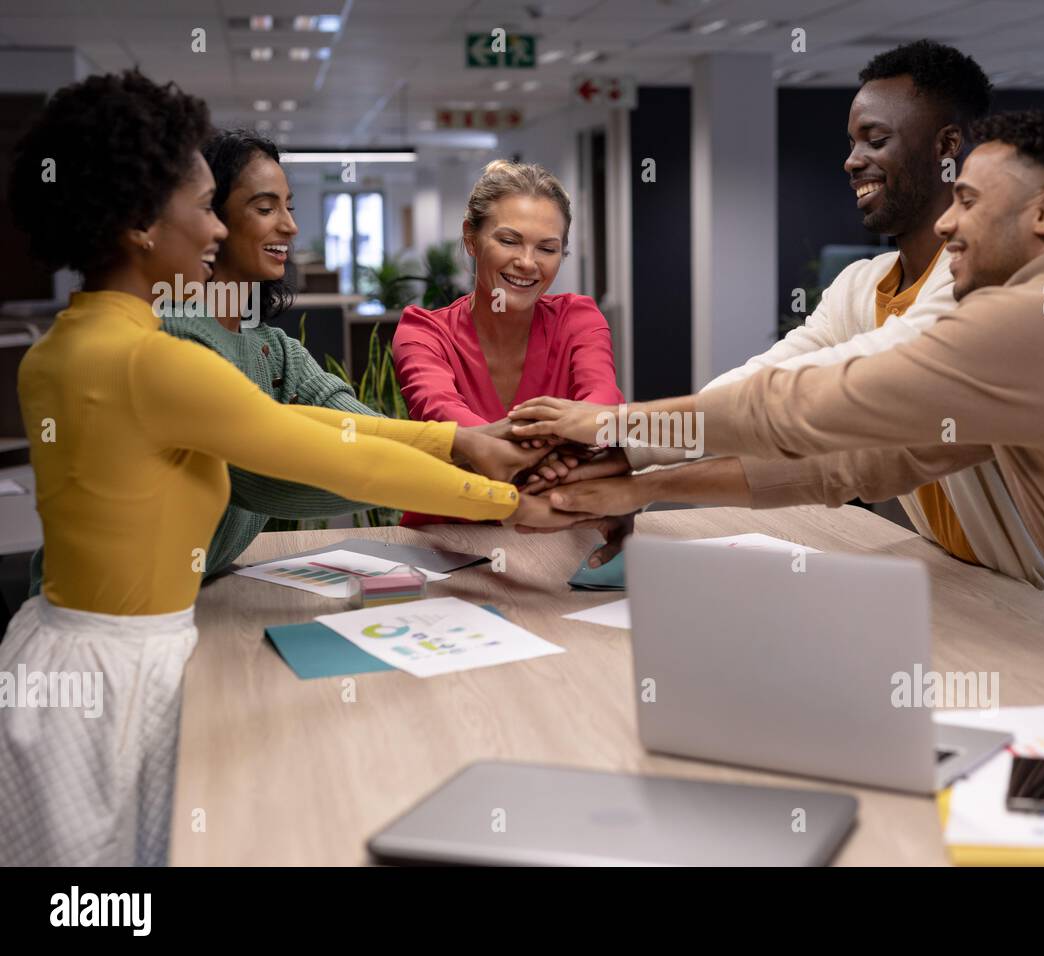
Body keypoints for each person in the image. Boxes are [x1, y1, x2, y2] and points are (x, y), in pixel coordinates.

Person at [511, 109, 1044, 702]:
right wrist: (643, 487)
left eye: (966, 199)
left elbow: (810, 405)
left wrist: (613, 423)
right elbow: (868, 463)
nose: (947, 221)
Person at [0, 71, 582, 866]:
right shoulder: (155, 359)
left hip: (63, 651)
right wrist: (501, 499)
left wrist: (457, 445)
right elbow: (316, 456)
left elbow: (305, 423)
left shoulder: (67, 347)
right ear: (140, 221)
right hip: (117, 670)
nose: (214, 230)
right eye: (206, 207)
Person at [524, 40, 1044, 594]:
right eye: (852, 142)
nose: (853, 160)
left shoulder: (986, 285)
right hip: (953, 578)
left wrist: (619, 433)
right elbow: (762, 380)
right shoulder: (862, 284)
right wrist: (624, 459)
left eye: (876, 140)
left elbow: (818, 396)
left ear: (947, 146)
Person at [25, 128, 541, 594]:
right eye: (264, 207)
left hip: (186, 599)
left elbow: (344, 427)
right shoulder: (166, 345)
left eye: (289, 205)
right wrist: (506, 498)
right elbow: (279, 468)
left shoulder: (267, 346)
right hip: (122, 627)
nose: (291, 227)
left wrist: (464, 445)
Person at [392, 159, 624, 525]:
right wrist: (557, 443)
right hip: (445, 541)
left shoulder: (577, 318)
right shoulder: (423, 332)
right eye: (508, 241)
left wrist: (538, 442)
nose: (527, 263)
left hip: (553, 533)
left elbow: (603, 402)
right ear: (471, 238)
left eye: (546, 249)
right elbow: (443, 420)